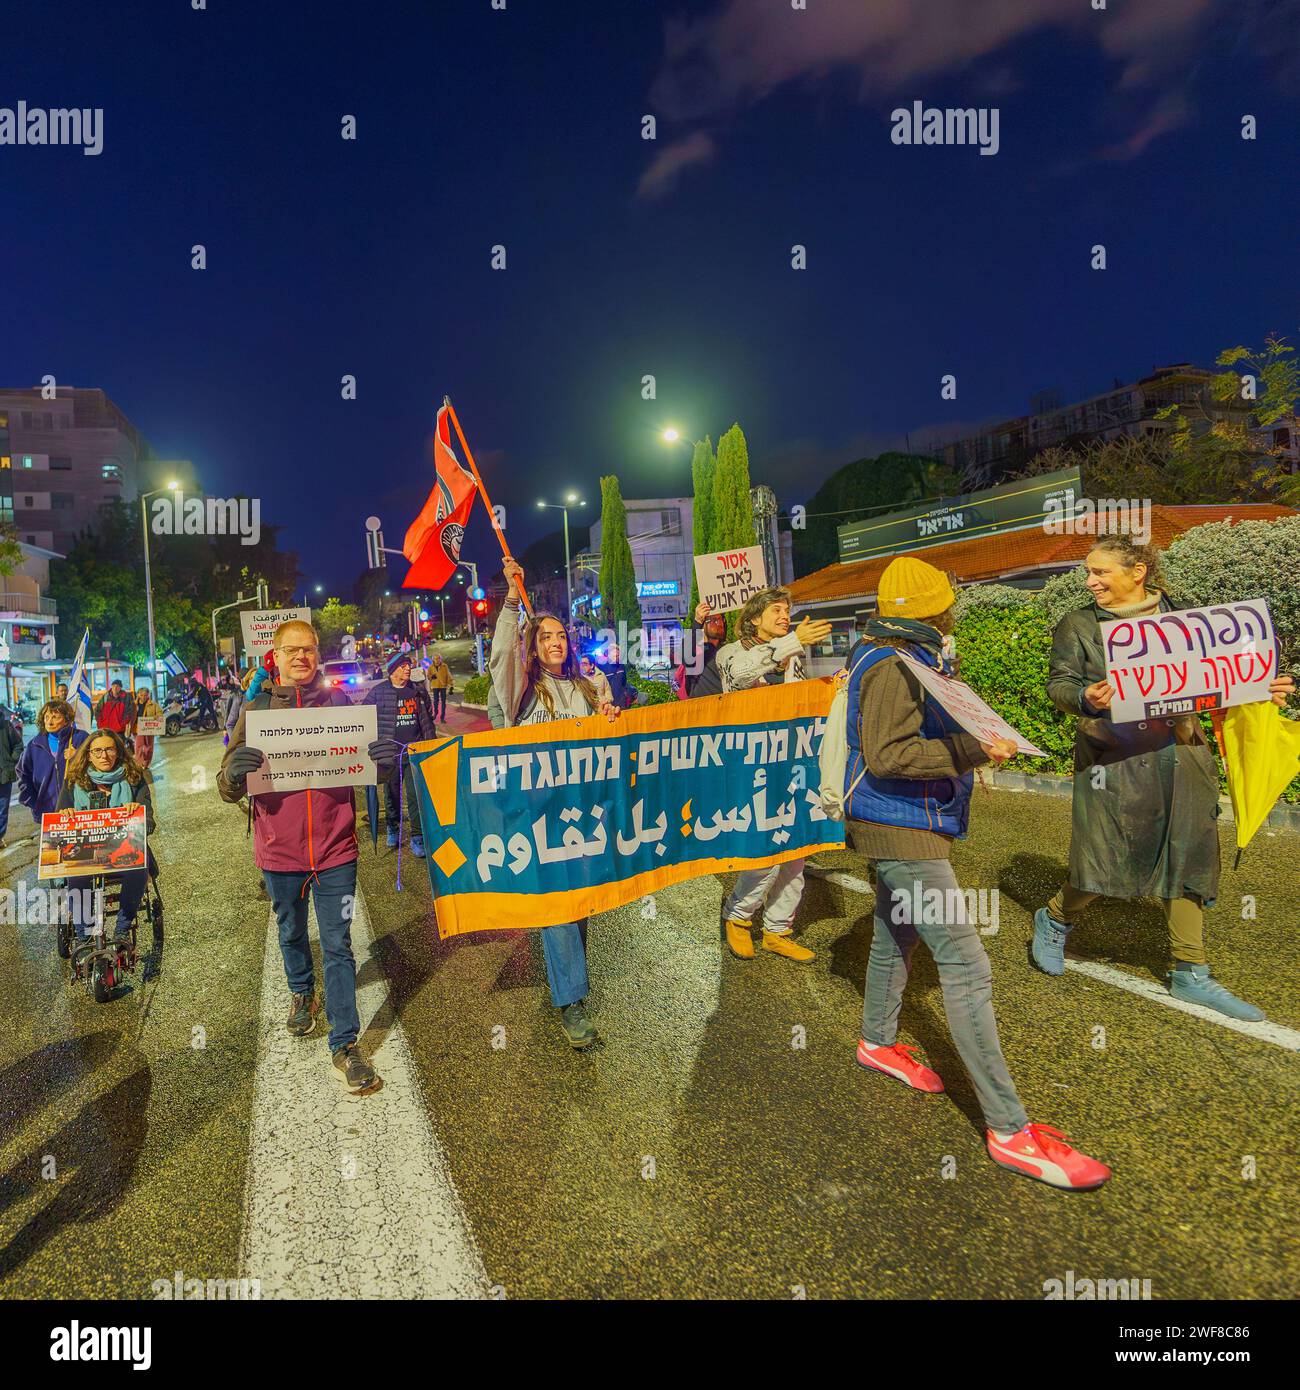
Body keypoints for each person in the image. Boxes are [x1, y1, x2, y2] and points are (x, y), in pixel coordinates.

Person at [845, 555, 1111, 1190]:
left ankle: (878, 1042)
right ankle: (1011, 1131)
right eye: (948, 600)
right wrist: (973, 748)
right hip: (902, 831)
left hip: (903, 823)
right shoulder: (891, 664)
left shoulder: (901, 653)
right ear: (933, 610)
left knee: (895, 935)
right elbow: (887, 754)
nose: (955, 606)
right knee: (966, 965)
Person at [1035, 535, 1294, 1021]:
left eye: (1101, 572)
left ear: (1138, 572)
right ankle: (1055, 917)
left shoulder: (1190, 619)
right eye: (1088, 573)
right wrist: (1086, 698)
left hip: (1183, 752)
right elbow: (1060, 683)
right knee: (1109, 854)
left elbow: (1223, 678)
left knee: (1190, 856)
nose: (1090, 582)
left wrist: (1264, 687)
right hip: (1114, 757)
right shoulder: (1078, 625)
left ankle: (1190, 971)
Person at [218, 619, 379, 1094]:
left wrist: (384, 762)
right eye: (292, 651)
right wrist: (233, 774)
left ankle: (345, 1044)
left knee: (338, 943)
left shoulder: (341, 705)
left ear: (317, 654)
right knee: (290, 931)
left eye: (308, 650)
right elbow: (224, 784)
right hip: (279, 851)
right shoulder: (257, 709)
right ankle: (301, 993)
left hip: (335, 849)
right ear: (277, 655)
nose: (302, 658)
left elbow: (369, 768)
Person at [490, 557, 621, 1049]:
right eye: (544, 637)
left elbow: (609, 744)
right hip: (540, 816)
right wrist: (509, 598)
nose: (554, 642)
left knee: (580, 904)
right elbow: (503, 655)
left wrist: (610, 717)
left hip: (585, 815)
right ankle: (572, 1001)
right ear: (533, 646)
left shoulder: (590, 687)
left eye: (560, 635)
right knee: (560, 906)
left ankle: (569, 982)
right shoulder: (523, 692)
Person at [714, 588, 833, 963]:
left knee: (797, 848)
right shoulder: (730, 653)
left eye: (788, 611)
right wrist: (793, 641)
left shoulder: (792, 656)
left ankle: (779, 928)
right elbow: (741, 675)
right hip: (752, 765)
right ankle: (738, 915)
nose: (785, 616)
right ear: (753, 619)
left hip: (793, 762)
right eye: (777, 610)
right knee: (767, 848)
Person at [57, 729, 155, 939]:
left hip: (124, 851)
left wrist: (137, 814)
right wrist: (65, 815)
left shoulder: (134, 778)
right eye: (98, 751)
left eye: (109, 749)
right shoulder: (73, 781)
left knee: (139, 868)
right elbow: (58, 826)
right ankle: (84, 933)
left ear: (118, 752)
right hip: (86, 855)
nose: (104, 756)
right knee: (76, 874)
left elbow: (149, 821)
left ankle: (123, 927)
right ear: (88, 754)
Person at [364, 652, 436, 857]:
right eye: (404, 665)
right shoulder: (377, 693)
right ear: (393, 669)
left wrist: (430, 745)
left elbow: (427, 719)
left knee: (415, 797)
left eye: (409, 665)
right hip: (390, 756)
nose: (408, 668)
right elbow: (363, 720)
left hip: (414, 753)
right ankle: (393, 828)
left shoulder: (417, 692)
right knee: (391, 795)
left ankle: (417, 836)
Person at [17, 700, 88, 829]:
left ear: (66, 719)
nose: (49, 721)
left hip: (76, 809)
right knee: (51, 848)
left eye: (56, 717)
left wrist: (78, 756)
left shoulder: (80, 738)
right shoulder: (34, 744)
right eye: (47, 717)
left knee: (76, 848)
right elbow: (23, 774)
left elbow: (97, 767)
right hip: (47, 810)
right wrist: (33, 802)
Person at [681, 602, 728, 698]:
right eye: (714, 620)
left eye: (720, 620)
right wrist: (697, 621)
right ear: (703, 625)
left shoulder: (728, 649)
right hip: (703, 707)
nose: (719, 624)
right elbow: (686, 656)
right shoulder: (698, 651)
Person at [0, 705, 22, 849]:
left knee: (2, 808)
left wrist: (10, 759)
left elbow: (18, 744)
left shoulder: (6, 725)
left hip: (4, 774)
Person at [130, 685, 163, 770]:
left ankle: (146, 762)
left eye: (145, 695)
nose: (143, 697)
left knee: (149, 747)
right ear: (138, 695)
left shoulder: (153, 704)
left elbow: (160, 714)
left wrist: (157, 717)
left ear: (148, 695)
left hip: (149, 728)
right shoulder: (133, 704)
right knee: (138, 746)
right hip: (137, 728)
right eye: (141, 695)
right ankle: (139, 763)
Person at [594, 643, 633, 709]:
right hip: (609, 704)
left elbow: (624, 682)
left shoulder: (621, 666)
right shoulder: (602, 668)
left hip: (622, 703)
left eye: (618, 655)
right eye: (615, 655)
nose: (617, 657)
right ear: (608, 655)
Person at [427, 651, 454, 723]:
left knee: (443, 702)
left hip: (443, 686)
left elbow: (448, 676)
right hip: (435, 686)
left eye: (439, 658)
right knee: (435, 701)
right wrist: (431, 677)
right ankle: (435, 712)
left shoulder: (444, 666)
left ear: (440, 659)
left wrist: (451, 686)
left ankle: (442, 717)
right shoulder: (431, 667)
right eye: (435, 659)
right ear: (433, 660)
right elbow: (428, 676)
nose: (437, 660)